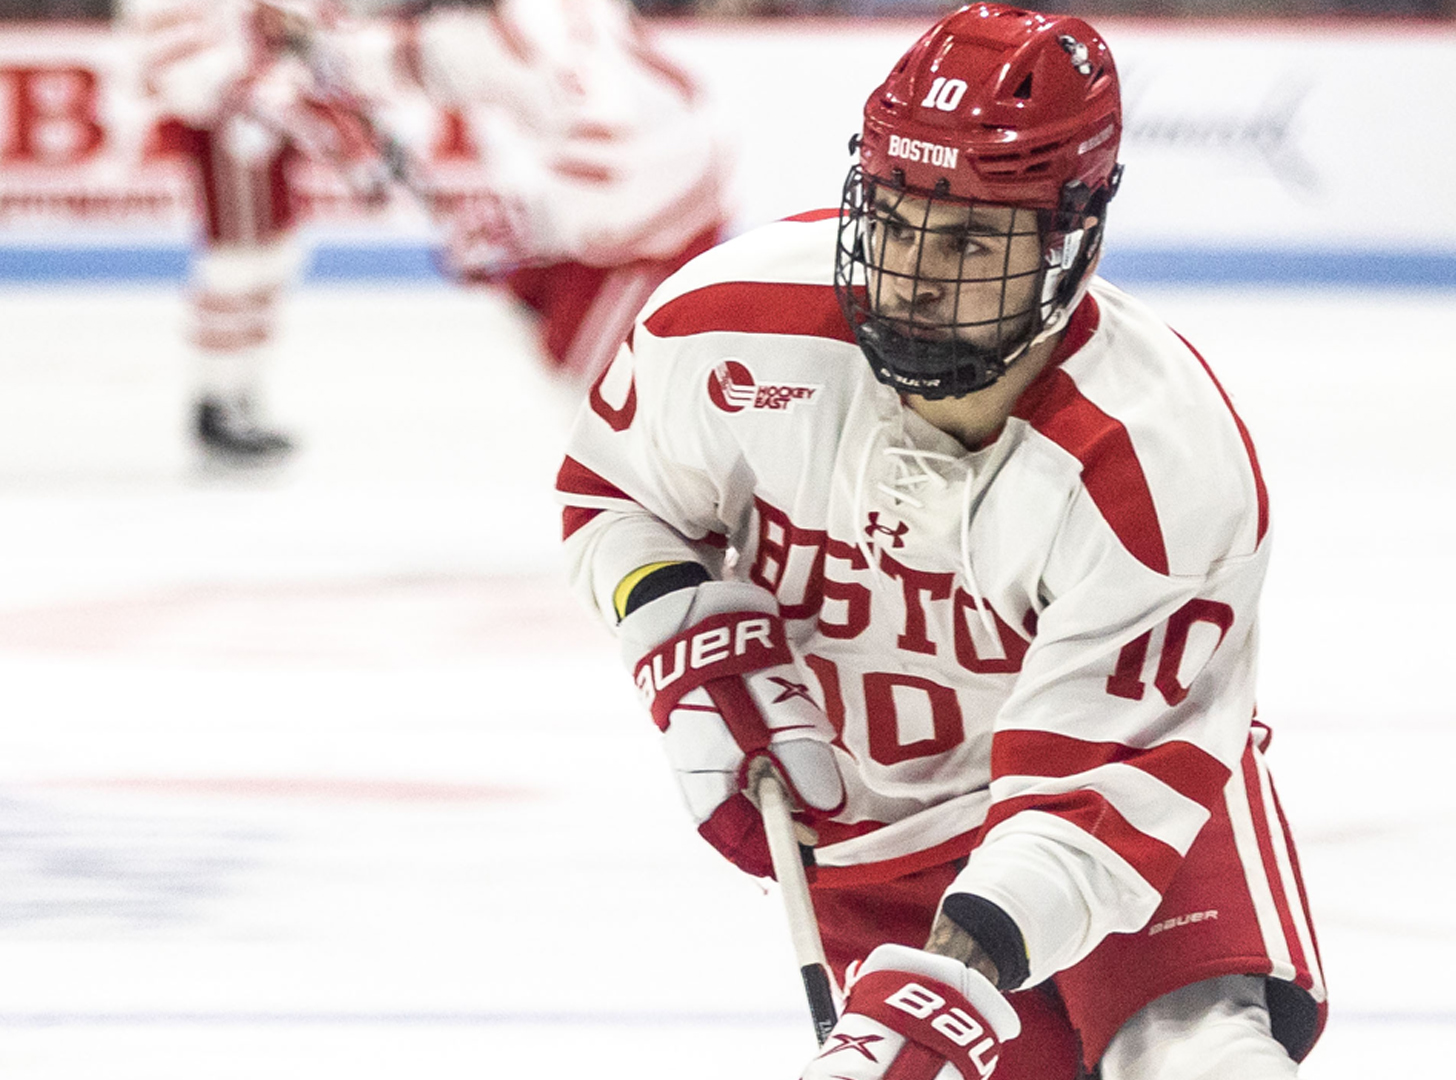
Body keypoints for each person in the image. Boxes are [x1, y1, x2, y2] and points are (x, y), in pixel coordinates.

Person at [557, 6, 1326, 1077]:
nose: (914, 275)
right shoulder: (724, 327)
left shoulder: (1157, 461)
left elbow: (1094, 796)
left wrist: (953, 979)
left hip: (1122, 804)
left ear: (1073, 239)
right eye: (898, 222)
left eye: (969, 240)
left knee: (1201, 1059)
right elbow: (615, 492)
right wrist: (676, 628)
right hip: (872, 839)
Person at [352, 0, 730, 383]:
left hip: (653, 201)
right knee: (538, 312)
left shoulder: (481, 38)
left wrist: (528, 226)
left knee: (608, 382)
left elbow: (380, 62)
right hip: (668, 167)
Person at [129, 0, 386, 466]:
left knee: (273, 258)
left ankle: (240, 390)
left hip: (266, 126)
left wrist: (297, 66)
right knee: (236, 264)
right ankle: (216, 400)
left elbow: (301, 32)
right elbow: (185, 69)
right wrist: (249, 86)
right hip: (231, 131)